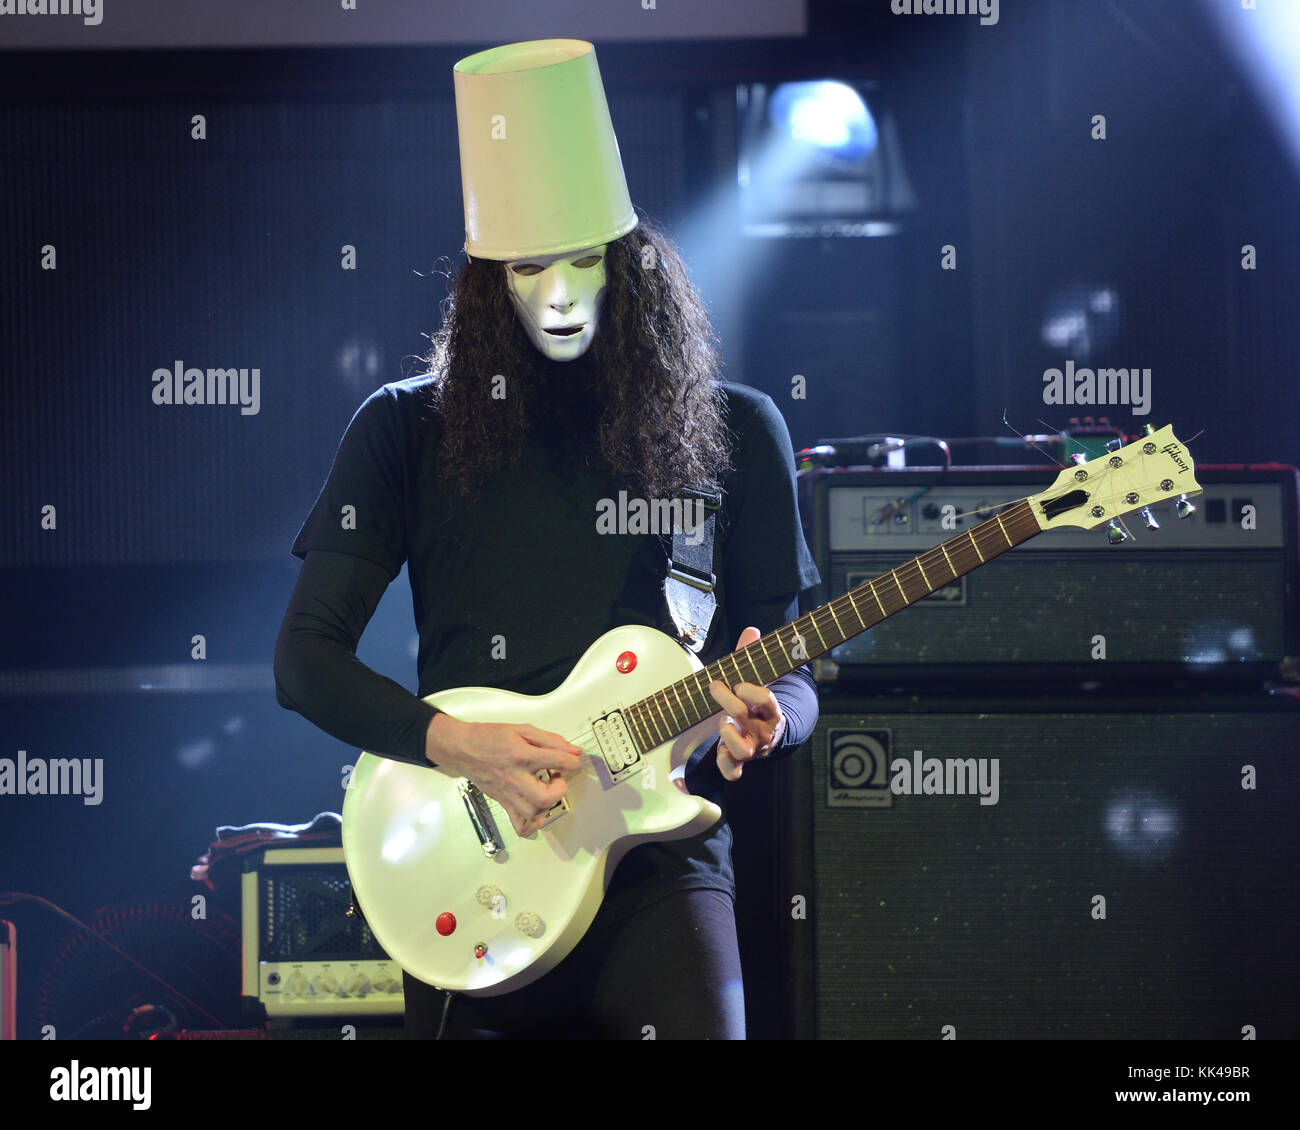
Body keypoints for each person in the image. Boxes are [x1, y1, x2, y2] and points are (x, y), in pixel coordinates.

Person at [273, 39, 821, 1040]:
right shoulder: (404, 427)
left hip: (655, 860)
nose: (561, 295)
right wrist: (458, 744)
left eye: (585, 262)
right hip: (469, 848)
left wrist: (771, 715)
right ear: (488, 282)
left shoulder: (734, 431)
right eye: (530, 267)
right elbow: (305, 662)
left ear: (633, 267)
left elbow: (785, 666)